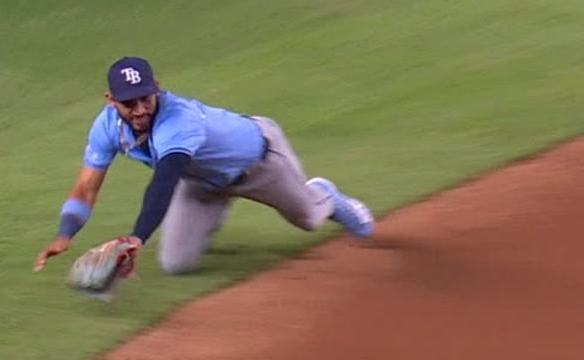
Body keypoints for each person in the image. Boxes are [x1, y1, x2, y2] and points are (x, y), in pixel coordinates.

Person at [34, 55, 375, 277]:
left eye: (145, 98)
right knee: (175, 264)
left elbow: (164, 181)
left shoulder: (177, 120)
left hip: (260, 162)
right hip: (201, 181)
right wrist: (65, 234)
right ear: (111, 101)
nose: (139, 109)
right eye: (128, 102)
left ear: (157, 90)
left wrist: (136, 238)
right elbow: (86, 187)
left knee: (309, 220)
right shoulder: (107, 126)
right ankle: (214, 211)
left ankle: (324, 195)